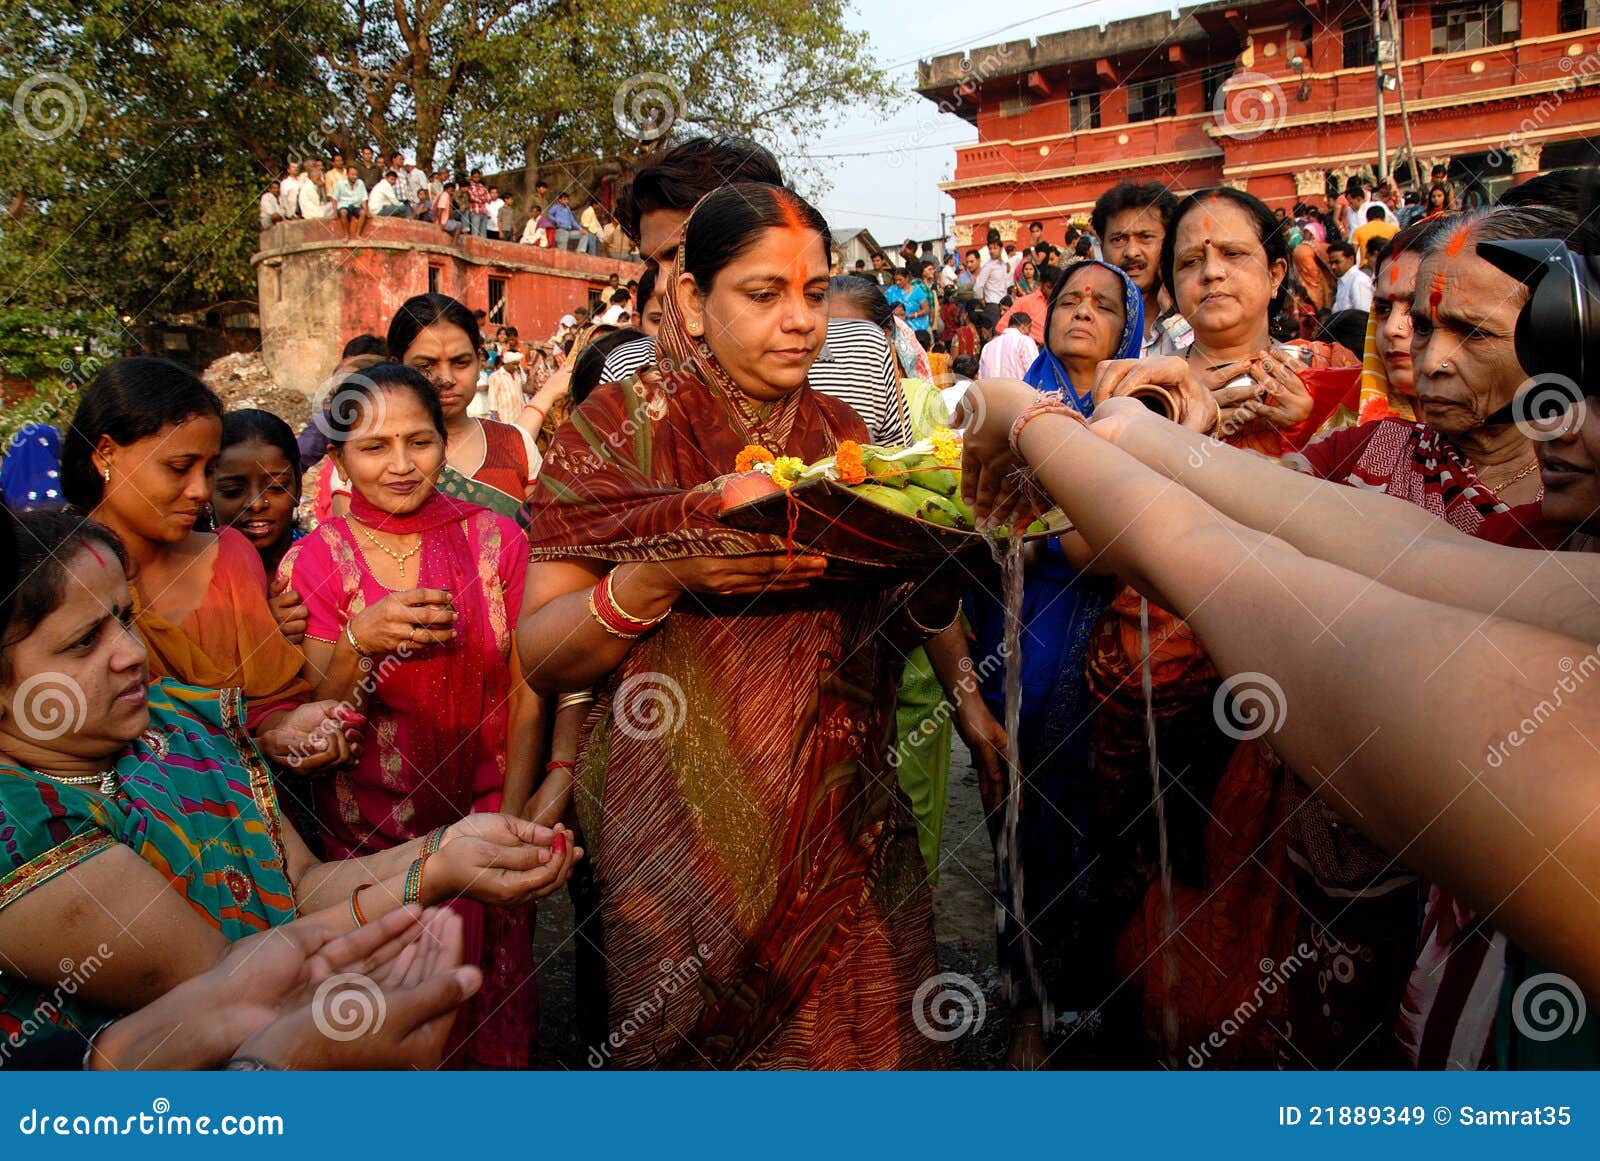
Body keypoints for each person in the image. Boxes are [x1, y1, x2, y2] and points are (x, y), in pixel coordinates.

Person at [517, 183, 952, 1068]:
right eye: (764, 294)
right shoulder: (619, 429)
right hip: (674, 819)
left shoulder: (849, 434)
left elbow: (901, 616)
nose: (800, 321)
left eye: (815, 291)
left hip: (845, 811)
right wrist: (659, 575)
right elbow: (541, 647)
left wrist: (953, 552)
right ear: (690, 300)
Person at [0, 507, 577, 1060]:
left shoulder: (177, 721)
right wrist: (433, 872)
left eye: (125, 618)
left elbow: (298, 886)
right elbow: (232, 983)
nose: (130, 653)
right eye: (83, 642)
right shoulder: (21, 827)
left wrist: (449, 849)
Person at [278, 364, 554, 1068]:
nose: (401, 464)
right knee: (392, 1035)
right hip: (368, 846)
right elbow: (309, 716)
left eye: (420, 441)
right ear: (337, 459)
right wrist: (356, 641)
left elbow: (528, 692)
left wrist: (515, 817)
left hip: (490, 813)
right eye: (374, 447)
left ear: (444, 439)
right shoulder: (312, 561)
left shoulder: (499, 540)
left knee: (489, 1019)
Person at [969, 259, 1144, 1067]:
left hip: (1112, 652)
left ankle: (1106, 1007)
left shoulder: (1137, 412)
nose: (1081, 313)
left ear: (1128, 327)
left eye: (1102, 306)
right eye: (1069, 300)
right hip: (1022, 646)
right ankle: (1030, 1013)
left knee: (1109, 831)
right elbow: (971, 522)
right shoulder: (1005, 412)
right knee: (1028, 829)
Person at [59, 360, 327, 772]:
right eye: (179, 468)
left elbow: (269, 701)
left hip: (249, 817)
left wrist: (284, 729)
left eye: (209, 470)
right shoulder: (54, 578)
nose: (201, 491)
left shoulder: (231, 555)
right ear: (105, 454)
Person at [603, 137, 911, 445]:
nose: (660, 286)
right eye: (654, 265)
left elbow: (901, 479)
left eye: (682, 255)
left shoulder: (865, 352)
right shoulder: (626, 375)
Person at [1297, 206, 1573, 533]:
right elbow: (1263, 491)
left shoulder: (1581, 496)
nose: (1430, 363)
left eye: (1473, 332)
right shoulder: (1368, 449)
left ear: (1560, 337)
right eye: (1424, 327)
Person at [213, 409, 303, 582]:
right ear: (206, 491)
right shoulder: (190, 574)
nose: (256, 504)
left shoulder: (330, 565)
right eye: (233, 490)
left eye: (277, 487)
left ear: (298, 487)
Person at [977, 310, 1038, 378]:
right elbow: (1034, 373)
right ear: (1024, 327)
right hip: (1016, 387)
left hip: (990, 388)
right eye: (1029, 329)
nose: (1029, 333)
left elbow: (981, 376)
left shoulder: (988, 346)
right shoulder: (1025, 341)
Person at [1329, 241, 1373, 311]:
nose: (1333, 267)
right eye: (1331, 263)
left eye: (1337, 262)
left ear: (1351, 259)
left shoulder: (1359, 281)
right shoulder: (1343, 281)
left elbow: (1363, 315)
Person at [331, 167, 369, 240]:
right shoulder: (340, 184)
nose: (354, 177)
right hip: (344, 205)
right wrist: (335, 212)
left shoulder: (360, 183)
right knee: (343, 212)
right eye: (352, 175)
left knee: (363, 213)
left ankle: (358, 234)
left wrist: (366, 210)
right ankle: (346, 235)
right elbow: (334, 198)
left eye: (355, 175)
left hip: (355, 205)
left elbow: (363, 198)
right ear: (347, 174)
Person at [974, 232, 1011, 304]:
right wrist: (982, 301)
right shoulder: (988, 266)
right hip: (992, 303)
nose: (992, 251)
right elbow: (978, 286)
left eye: (995, 248)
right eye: (990, 248)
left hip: (1003, 303)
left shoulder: (1003, 265)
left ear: (1001, 249)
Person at [464, 170, 490, 237]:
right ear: (471, 177)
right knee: (475, 232)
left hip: (483, 212)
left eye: (478, 177)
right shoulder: (469, 186)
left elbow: (488, 198)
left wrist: (479, 199)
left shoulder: (482, 186)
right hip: (475, 211)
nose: (476, 178)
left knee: (483, 234)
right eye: (475, 177)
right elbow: (472, 197)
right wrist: (482, 199)